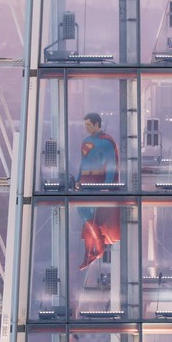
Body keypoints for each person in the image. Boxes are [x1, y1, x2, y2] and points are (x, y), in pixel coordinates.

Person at [77, 112, 121, 269]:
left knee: (86, 214)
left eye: (88, 124)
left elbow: (111, 165)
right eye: (85, 124)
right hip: (86, 182)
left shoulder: (106, 142)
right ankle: (94, 249)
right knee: (84, 215)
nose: (86, 127)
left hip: (97, 183)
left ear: (97, 124)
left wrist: (107, 185)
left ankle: (97, 247)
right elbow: (84, 163)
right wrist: (78, 179)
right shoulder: (87, 141)